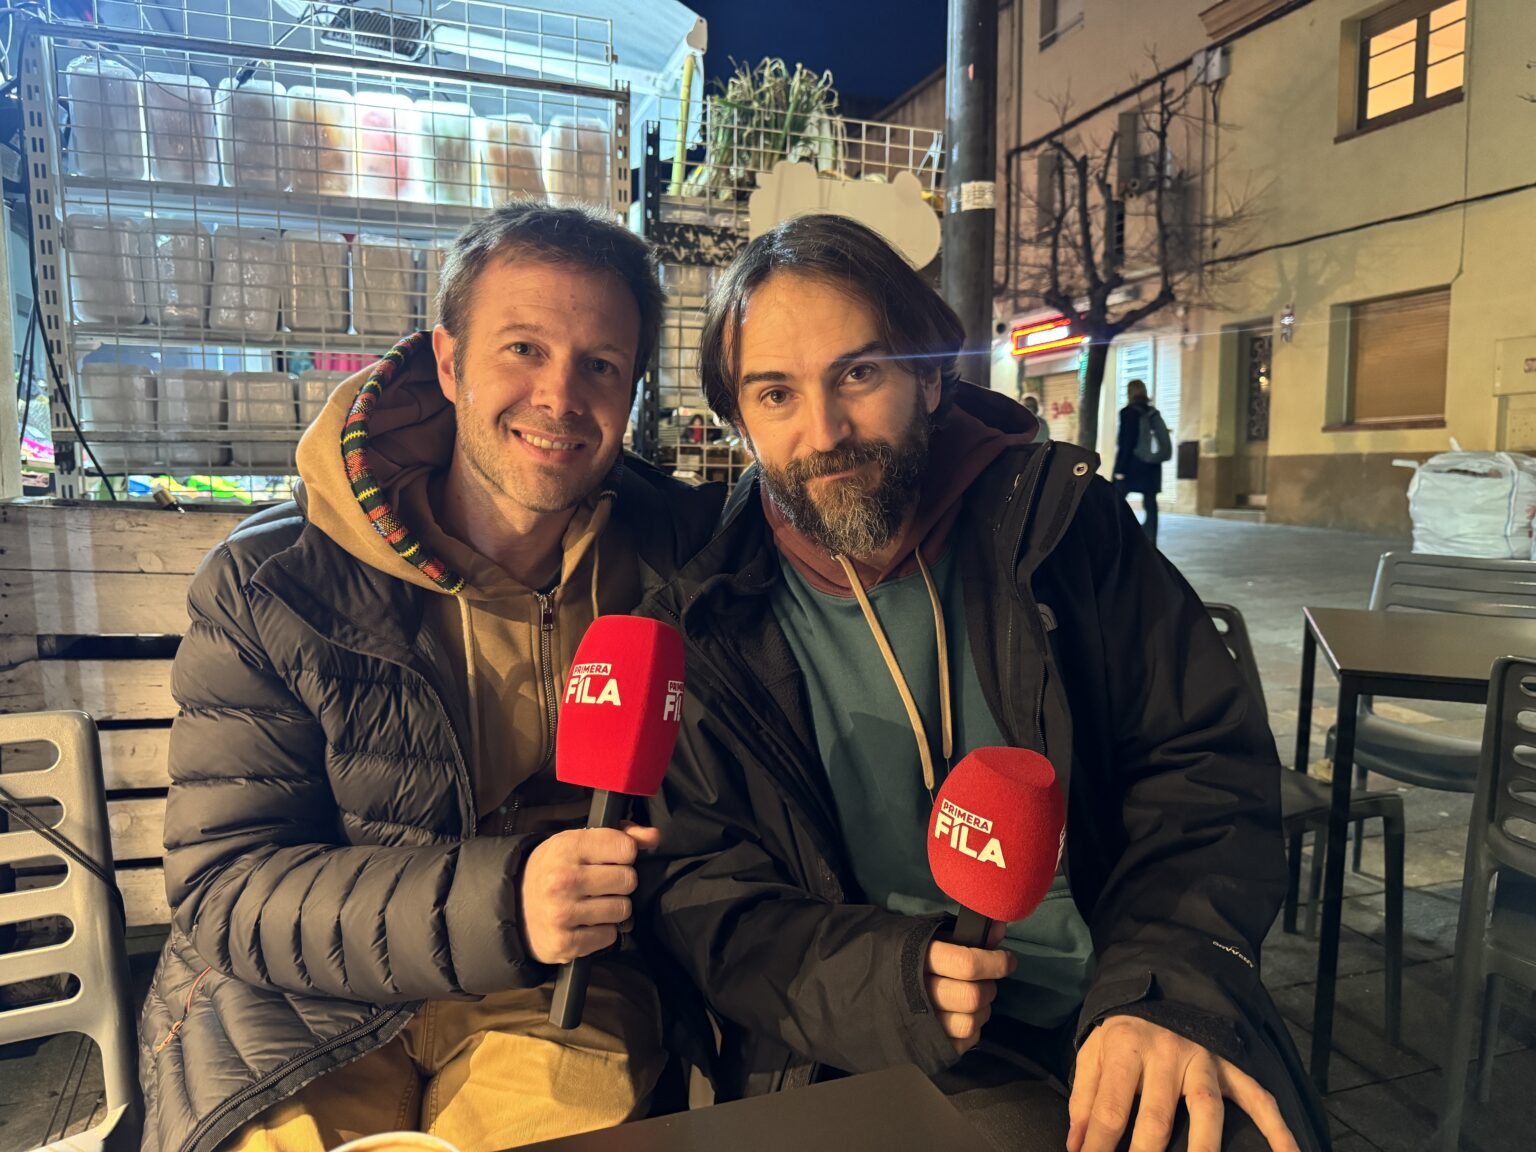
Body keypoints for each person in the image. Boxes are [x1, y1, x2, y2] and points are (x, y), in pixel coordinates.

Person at [636, 215, 1327, 1152]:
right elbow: (705, 890)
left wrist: (1163, 987)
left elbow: (1202, 769)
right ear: (741, 423)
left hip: (1118, 996)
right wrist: (889, 984)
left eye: (859, 372)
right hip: (864, 1042)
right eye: (776, 393)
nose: (825, 430)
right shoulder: (709, 622)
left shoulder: (1064, 529)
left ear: (929, 377)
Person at [138, 202, 724, 1152]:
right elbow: (227, 885)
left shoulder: (684, 556)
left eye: (600, 366)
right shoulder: (274, 581)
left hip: (565, 984)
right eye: (523, 349)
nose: (559, 397)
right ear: (448, 363)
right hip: (307, 998)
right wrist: (507, 901)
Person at [1114, 378, 1169, 545]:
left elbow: (1126, 443)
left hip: (1133, 464)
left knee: (1115, 499)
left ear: (1129, 393)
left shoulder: (1127, 413)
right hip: (1152, 465)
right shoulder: (1153, 412)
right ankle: (1151, 540)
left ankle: (1117, 535)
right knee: (1151, 503)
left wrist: (1119, 470)